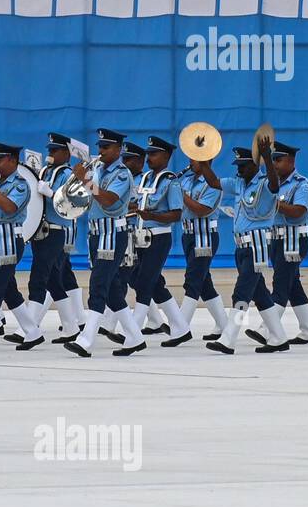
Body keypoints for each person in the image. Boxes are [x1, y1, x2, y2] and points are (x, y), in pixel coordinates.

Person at [64, 128, 146, 357]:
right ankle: (135, 338)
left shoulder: (121, 173)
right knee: (111, 290)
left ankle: (86, 339)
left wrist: (85, 180)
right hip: (97, 233)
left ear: (118, 150)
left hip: (112, 234)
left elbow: (109, 201)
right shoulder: (98, 169)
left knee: (98, 285)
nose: (101, 151)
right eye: (100, 147)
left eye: (106, 147)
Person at [205, 138, 289, 354]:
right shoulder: (239, 183)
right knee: (260, 293)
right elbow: (214, 183)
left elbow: (274, 184)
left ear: (255, 164)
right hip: (241, 246)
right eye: (238, 166)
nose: (239, 169)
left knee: (241, 293)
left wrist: (267, 158)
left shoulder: (264, 183)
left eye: (243, 165)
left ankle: (229, 338)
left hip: (257, 245)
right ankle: (278, 337)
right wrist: (204, 161)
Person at [0, 142, 43, 349]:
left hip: (9, 240)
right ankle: (33, 332)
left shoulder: (20, 184)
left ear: (12, 160)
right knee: (8, 290)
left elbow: (10, 207)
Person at [127, 135, 193, 347]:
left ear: (166, 156)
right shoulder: (145, 179)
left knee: (146, 283)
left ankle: (133, 333)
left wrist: (152, 216)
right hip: (140, 238)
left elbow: (176, 214)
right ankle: (181, 328)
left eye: (154, 154)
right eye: (148, 154)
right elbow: (136, 203)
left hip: (159, 238)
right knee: (150, 282)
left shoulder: (171, 182)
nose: (149, 158)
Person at [21, 133, 82, 347]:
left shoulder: (68, 174)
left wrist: (51, 192)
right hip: (41, 230)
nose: (51, 154)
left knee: (38, 278)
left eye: (55, 151)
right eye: (49, 151)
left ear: (66, 154)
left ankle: (29, 329)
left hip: (56, 230)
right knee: (54, 280)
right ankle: (71, 327)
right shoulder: (46, 171)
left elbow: (75, 201)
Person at [268, 141, 308, 345]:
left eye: (278, 160)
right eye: (272, 161)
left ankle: (268, 329)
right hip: (276, 239)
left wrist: (273, 203)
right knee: (293, 284)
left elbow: (299, 211)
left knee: (280, 283)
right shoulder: (273, 184)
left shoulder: (301, 184)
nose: (274, 165)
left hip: (294, 240)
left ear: (290, 161)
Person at [176, 156, 229, 339]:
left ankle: (180, 327)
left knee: (193, 280)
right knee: (205, 284)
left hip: (204, 237)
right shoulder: (186, 181)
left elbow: (201, 210)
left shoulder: (213, 184)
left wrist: (180, 194)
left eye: (195, 160)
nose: (190, 163)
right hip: (188, 235)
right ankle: (225, 326)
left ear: (207, 162)